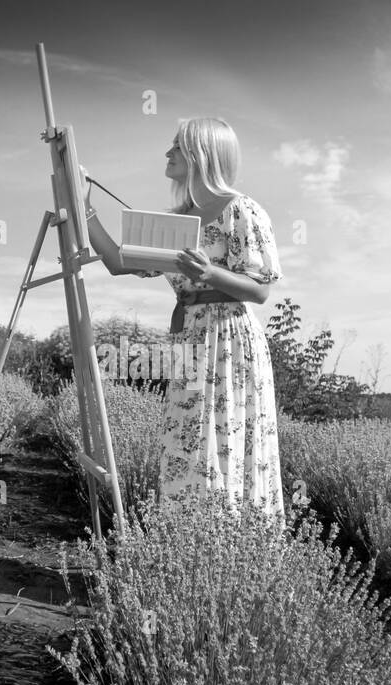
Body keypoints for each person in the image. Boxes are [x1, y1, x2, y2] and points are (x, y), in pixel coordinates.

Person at [83, 116, 285, 525]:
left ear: (200, 154)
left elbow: (260, 290)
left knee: (226, 435)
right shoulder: (178, 219)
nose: (168, 153)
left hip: (230, 338)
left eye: (176, 146)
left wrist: (208, 273)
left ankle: (238, 543)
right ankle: (192, 540)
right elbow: (119, 263)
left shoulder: (240, 210)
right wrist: (84, 209)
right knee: (188, 439)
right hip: (191, 338)